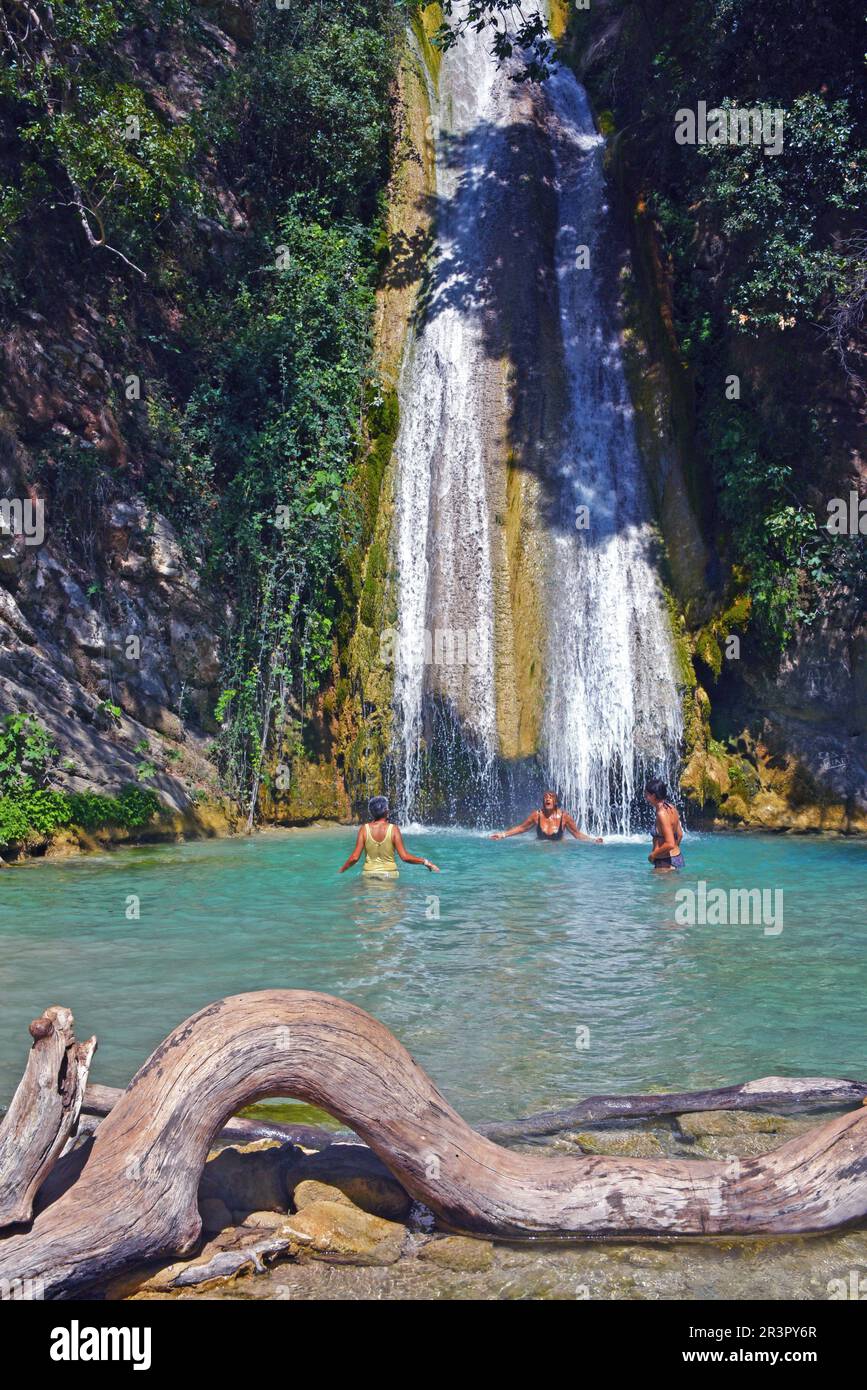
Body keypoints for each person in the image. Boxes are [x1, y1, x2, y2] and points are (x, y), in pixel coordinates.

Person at [339, 796, 440, 878]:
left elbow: (355, 857)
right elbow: (404, 857)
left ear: (371, 812)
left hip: (369, 875)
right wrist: (425, 862)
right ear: (386, 811)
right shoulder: (393, 829)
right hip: (389, 875)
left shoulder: (364, 829)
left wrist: (341, 870)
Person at [489, 791, 604, 843]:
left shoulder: (564, 817)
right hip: (540, 850)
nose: (547, 799)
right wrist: (502, 835)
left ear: (555, 802)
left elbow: (577, 834)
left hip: (558, 852)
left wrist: (593, 840)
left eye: (551, 797)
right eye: (545, 797)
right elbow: (521, 828)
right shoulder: (537, 815)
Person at [644, 778, 685, 870]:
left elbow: (670, 843)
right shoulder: (671, 808)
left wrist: (652, 855)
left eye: (646, 795)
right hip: (675, 857)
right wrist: (674, 852)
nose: (645, 798)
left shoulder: (661, 814)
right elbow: (680, 835)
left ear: (653, 796)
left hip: (665, 861)